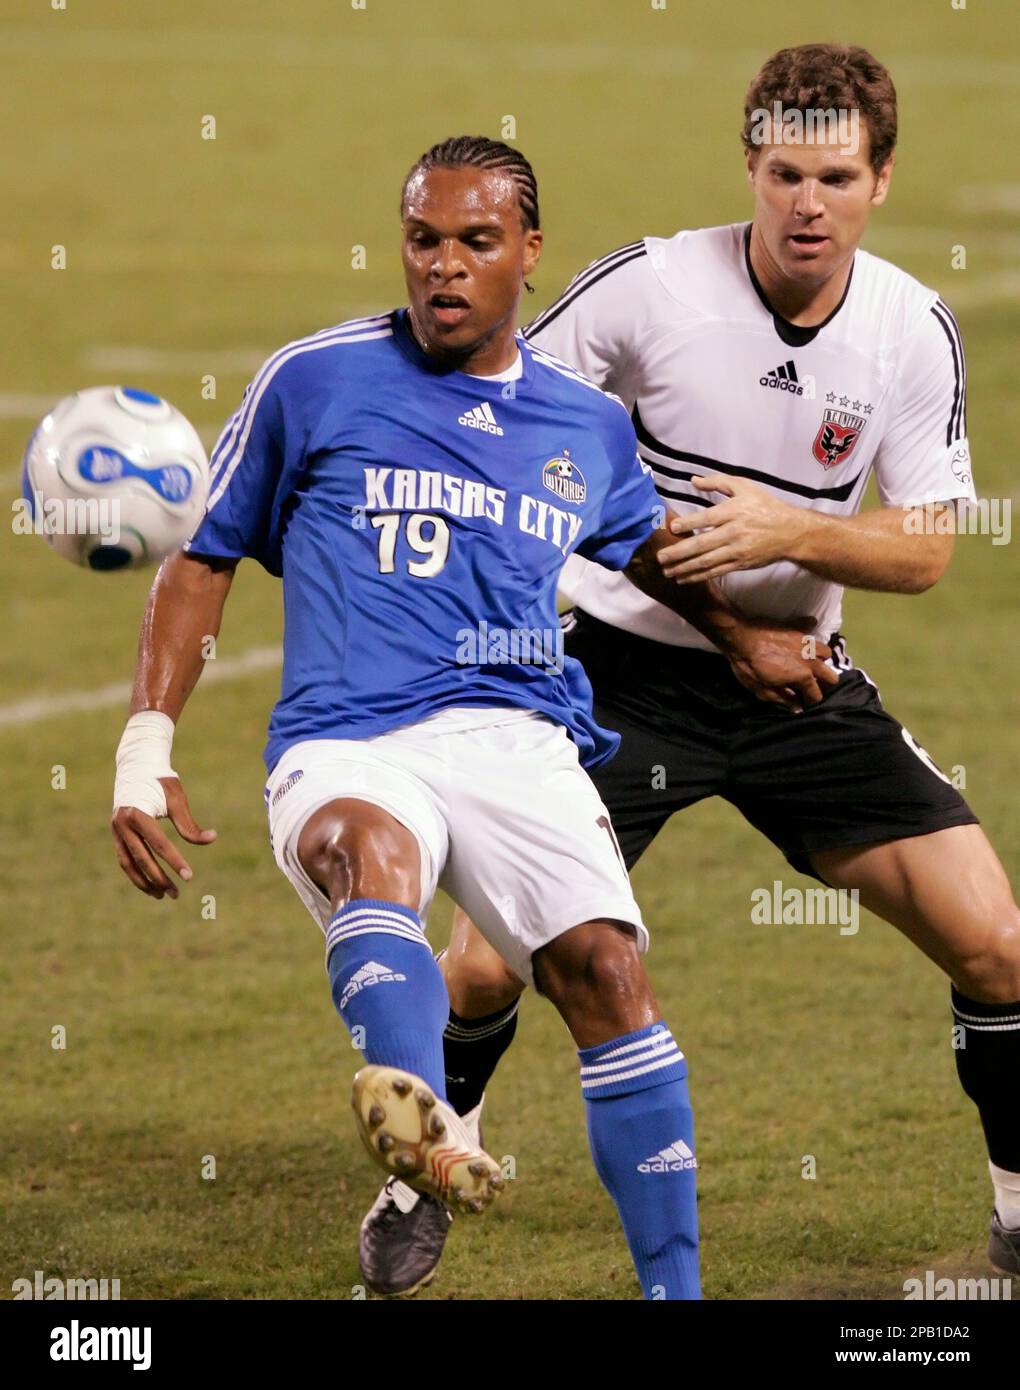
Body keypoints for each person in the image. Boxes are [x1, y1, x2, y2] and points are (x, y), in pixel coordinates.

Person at [110, 135, 832, 1300]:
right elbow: (203, 555)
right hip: (349, 736)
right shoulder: (315, 379)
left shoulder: (584, 424)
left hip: (519, 736)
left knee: (608, 972)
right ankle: (423, 1132)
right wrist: (146, 745)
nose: (443, 264)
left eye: (475, 242)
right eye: (424, 239)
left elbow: (644, 546)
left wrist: (745, 636)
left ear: (529, 253)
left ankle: (675, 1293)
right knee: (370, 853)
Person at [365, 47, 1020, 1295]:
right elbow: (502, 429)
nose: (808, 204)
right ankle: (422, 1173)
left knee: (998, 944)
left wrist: (788, 532)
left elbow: (928, 546)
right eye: (786, 175)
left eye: (837, 177)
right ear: (751, 166)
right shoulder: (650, 289)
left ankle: (1018, 1204)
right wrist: (711, 612)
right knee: (489, 963)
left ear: (881, 180)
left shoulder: (909, 328)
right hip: (615, 677)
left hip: (799, 685)